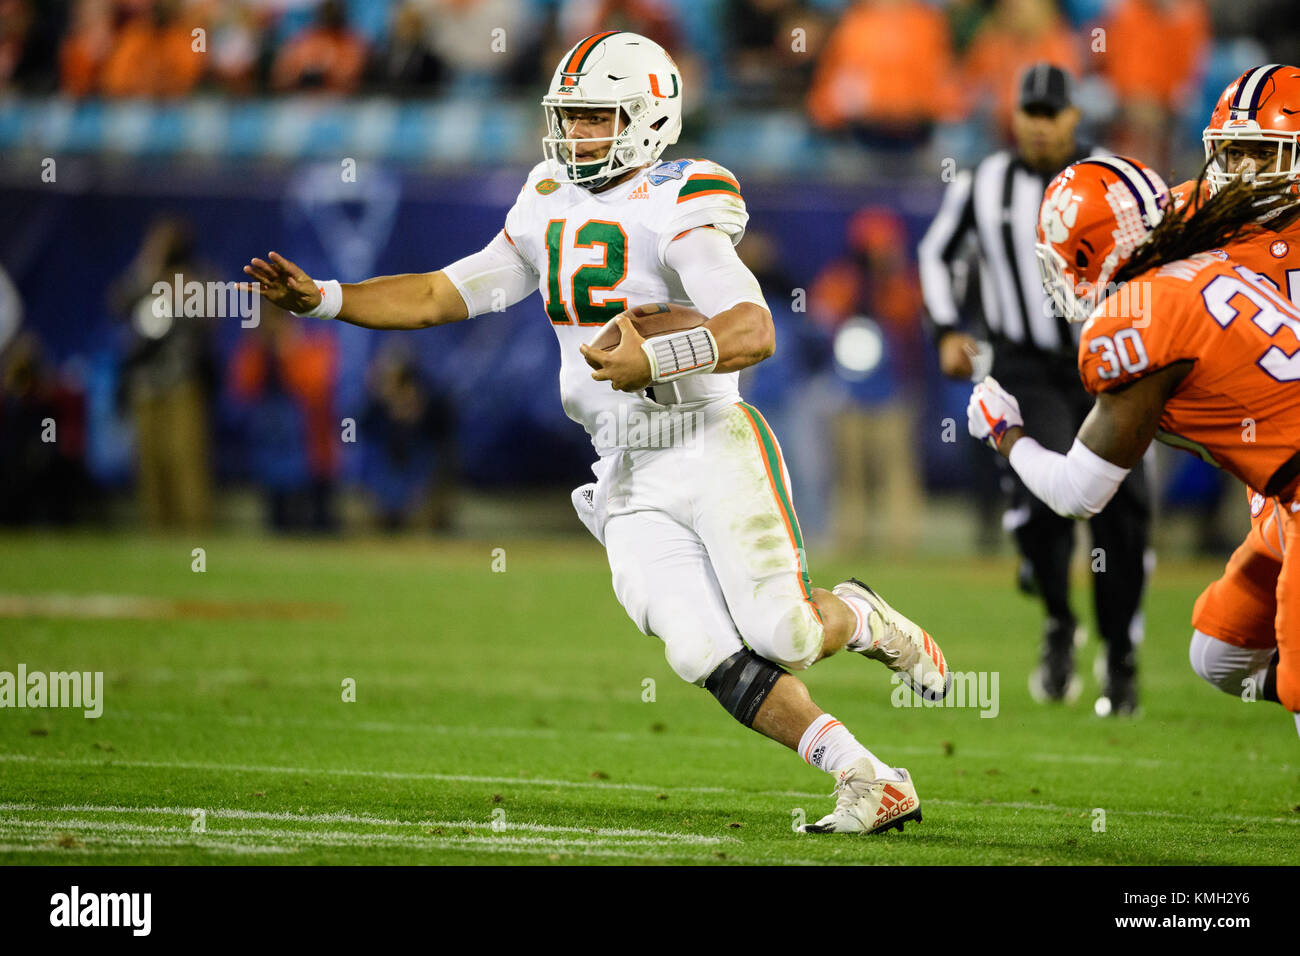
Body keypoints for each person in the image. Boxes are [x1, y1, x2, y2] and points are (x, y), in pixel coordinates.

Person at [244, 31, 950, 835]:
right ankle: (864, 776)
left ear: (649, 116)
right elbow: (445, 293)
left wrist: (660, 354)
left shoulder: (679, 199)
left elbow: (754, 330)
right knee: (698, 650)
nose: (576, 135)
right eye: (570, 118)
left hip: (707, 438)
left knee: (782, 633)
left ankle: (861, 617)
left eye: (595, 118)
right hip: (623, 469)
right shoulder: (548, 196)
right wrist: (327, 298)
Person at [967, 154, 1300, 737]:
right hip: (1284, 498)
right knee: (1217, 652)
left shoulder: (1137, 320)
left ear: (1085, 253)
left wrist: (1005, 432)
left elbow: (1077, 494)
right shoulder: (1197, 267)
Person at [919, 63, 1151, 714]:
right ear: (1014, 116)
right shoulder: (983, 182)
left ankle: (1121, 653)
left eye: (1052, 112)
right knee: (1045, 494)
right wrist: (945, 329)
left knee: (1125, 512)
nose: (1040, 124)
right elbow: (937, 253)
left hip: (1108, 360)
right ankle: (1057, 619)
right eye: (1030, 111)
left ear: (1075, 116)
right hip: (1023, 362)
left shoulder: (1113, 176)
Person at [1167, 64, 1300, 717]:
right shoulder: (1193, 217)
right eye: (1234, 151)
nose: (1244, 172)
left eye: (1264, 154)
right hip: (1276, 484)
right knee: (1216, 655)